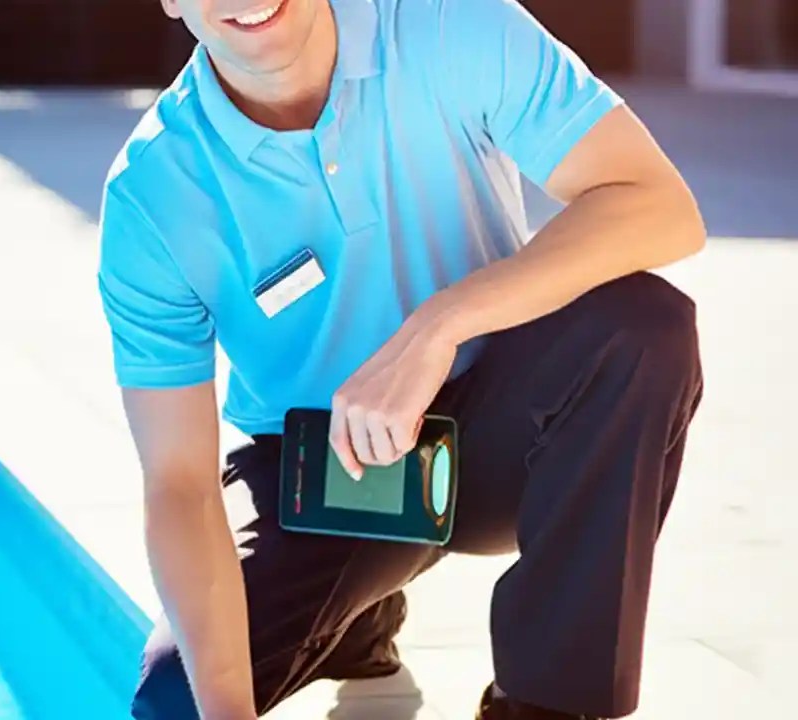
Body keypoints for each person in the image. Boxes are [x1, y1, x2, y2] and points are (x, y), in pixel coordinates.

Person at [94, 0, 706, 718]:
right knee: (178, 700)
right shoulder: (153, 192)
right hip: (326, 476)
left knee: (639, 326)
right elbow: (179, 482)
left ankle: (544, 704)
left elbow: (661, 206)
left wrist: (438, 325)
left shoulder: (451, 25)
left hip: (512, 433)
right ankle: (357, 618)